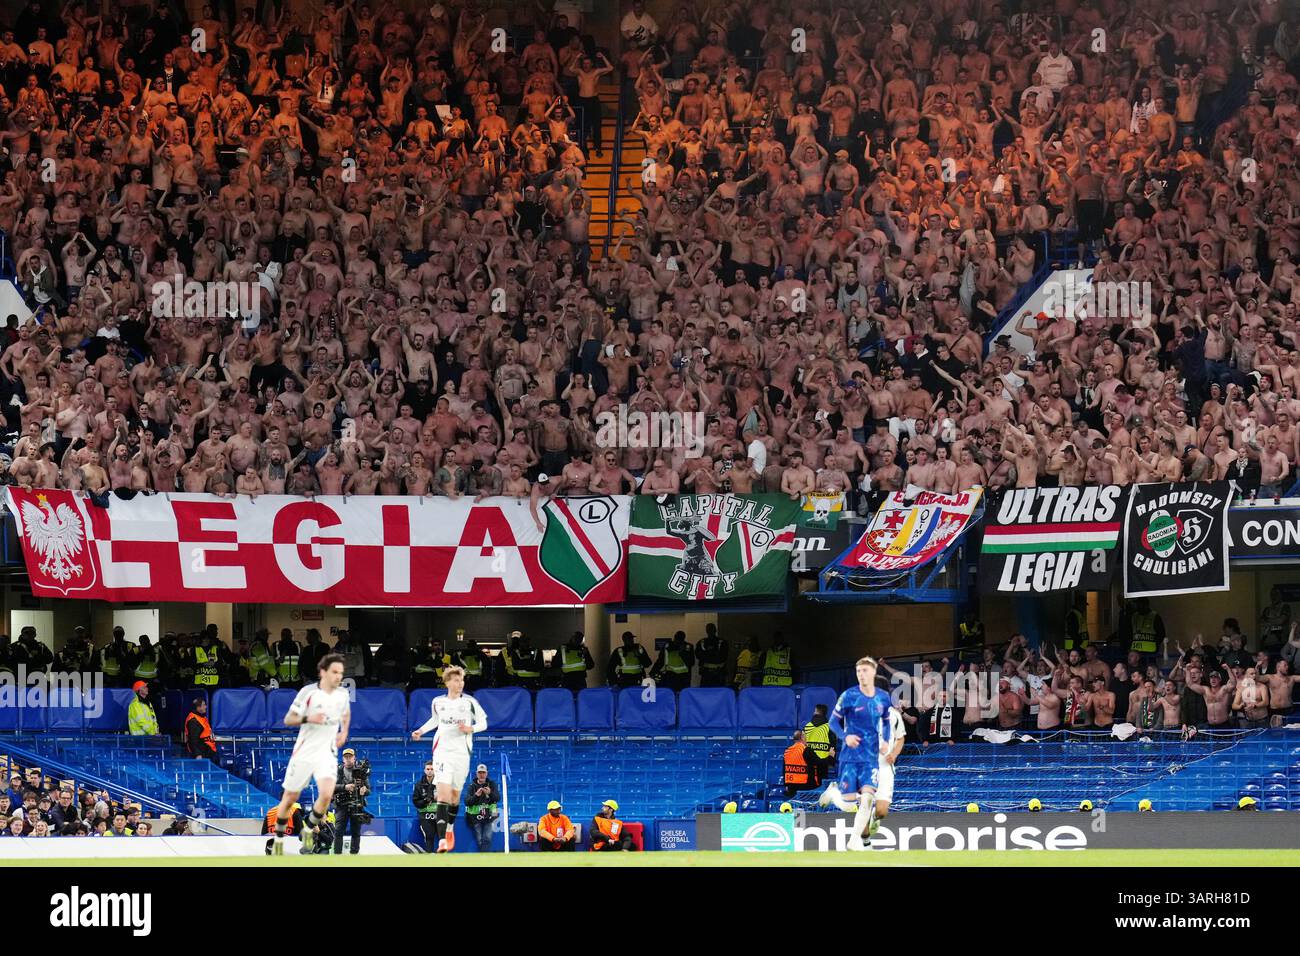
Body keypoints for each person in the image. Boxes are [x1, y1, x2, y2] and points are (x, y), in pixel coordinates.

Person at [271, 654, 350, 856]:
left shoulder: (342, 694)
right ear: (323, 672)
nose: (338, 676)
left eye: (341, 673)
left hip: (327, 753)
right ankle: (278, 840)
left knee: (326, 795)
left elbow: (345, 713)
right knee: (289, 799)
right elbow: (289, 719)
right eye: (335, 672)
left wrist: (344, 732)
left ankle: (307, 828)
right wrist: (309, 717)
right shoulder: (308, 692)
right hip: (305, 752)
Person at [818, 657, 894, 851]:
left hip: (871, 760)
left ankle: (854, 842)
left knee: (868, 799)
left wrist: (886, 744)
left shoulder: (884, 703)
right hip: (851, 758)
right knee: (849, 804)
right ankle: (834, 793)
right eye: (859, 671)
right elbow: (833, 722)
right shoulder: (850, 697)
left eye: (865, 671)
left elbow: (886, 726)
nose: (861, 675)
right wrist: (846, 737)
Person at [410, 666, 488, 852]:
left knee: (454, 798)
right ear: (447, 682)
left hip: (461, 753)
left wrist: (471, 729)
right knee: (443, 795)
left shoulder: (470, 702)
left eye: (461, 680)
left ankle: (450, 828)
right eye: (455, 680)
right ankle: (443, 839)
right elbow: (435, 720)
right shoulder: (438, 702)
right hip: (442, 751)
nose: (459, 683)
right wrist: (421, 730)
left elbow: (484, 723)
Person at [333, 749, 370, 855]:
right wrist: (345, 787)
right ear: (343, 759)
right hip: (341, 805)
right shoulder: (338, 771)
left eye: (350, 757)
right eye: (346, 757)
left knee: (356, 832)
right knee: (338, 831)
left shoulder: (361, 771)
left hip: (357, 805)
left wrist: (365, 790)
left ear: (354, 758)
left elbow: (369, 790)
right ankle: (337, 856)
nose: (348, 759)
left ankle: (354, 856)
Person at [464, 764, 500, 853]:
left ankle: (485, 856)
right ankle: (483, 855)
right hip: (475, 817)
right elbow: (467, 802)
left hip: (489, 817)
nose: (481, 775)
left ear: (486, 773)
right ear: (476, 773)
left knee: (487, 837)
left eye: (483, 772)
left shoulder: (492, 784)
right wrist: (476, 795)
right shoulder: (471, 786)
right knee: (479, 838)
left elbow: (497, 798)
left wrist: (490, 793)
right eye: (480, 772)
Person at [802, 704, 838, 786]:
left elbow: (802, 743)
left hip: (809, 761)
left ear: (816, 711)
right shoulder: (829, 726)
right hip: (824, 760)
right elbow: (833, 744)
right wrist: (831, 761)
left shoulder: (807, 726)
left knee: (810, 782)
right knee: (822, 784)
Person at [412, 762, 441, 853]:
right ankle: (429, 858)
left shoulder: (441, 783)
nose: (430, 771)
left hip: (440, 815)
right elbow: (416, 802)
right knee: (429, 836)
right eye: (428, 769)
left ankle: (442, 859)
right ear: (424, 770)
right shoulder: (419, 785)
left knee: (442, 837)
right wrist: (426, 801)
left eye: (432, 769)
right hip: (425, 816)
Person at [783, 730, 814, 797]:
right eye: (805, 737)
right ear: (802, 738)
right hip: (803, 787)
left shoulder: (787, 751)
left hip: (791, 787)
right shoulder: (806, 750)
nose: (806, 739)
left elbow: (784, 770)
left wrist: (786, 785)